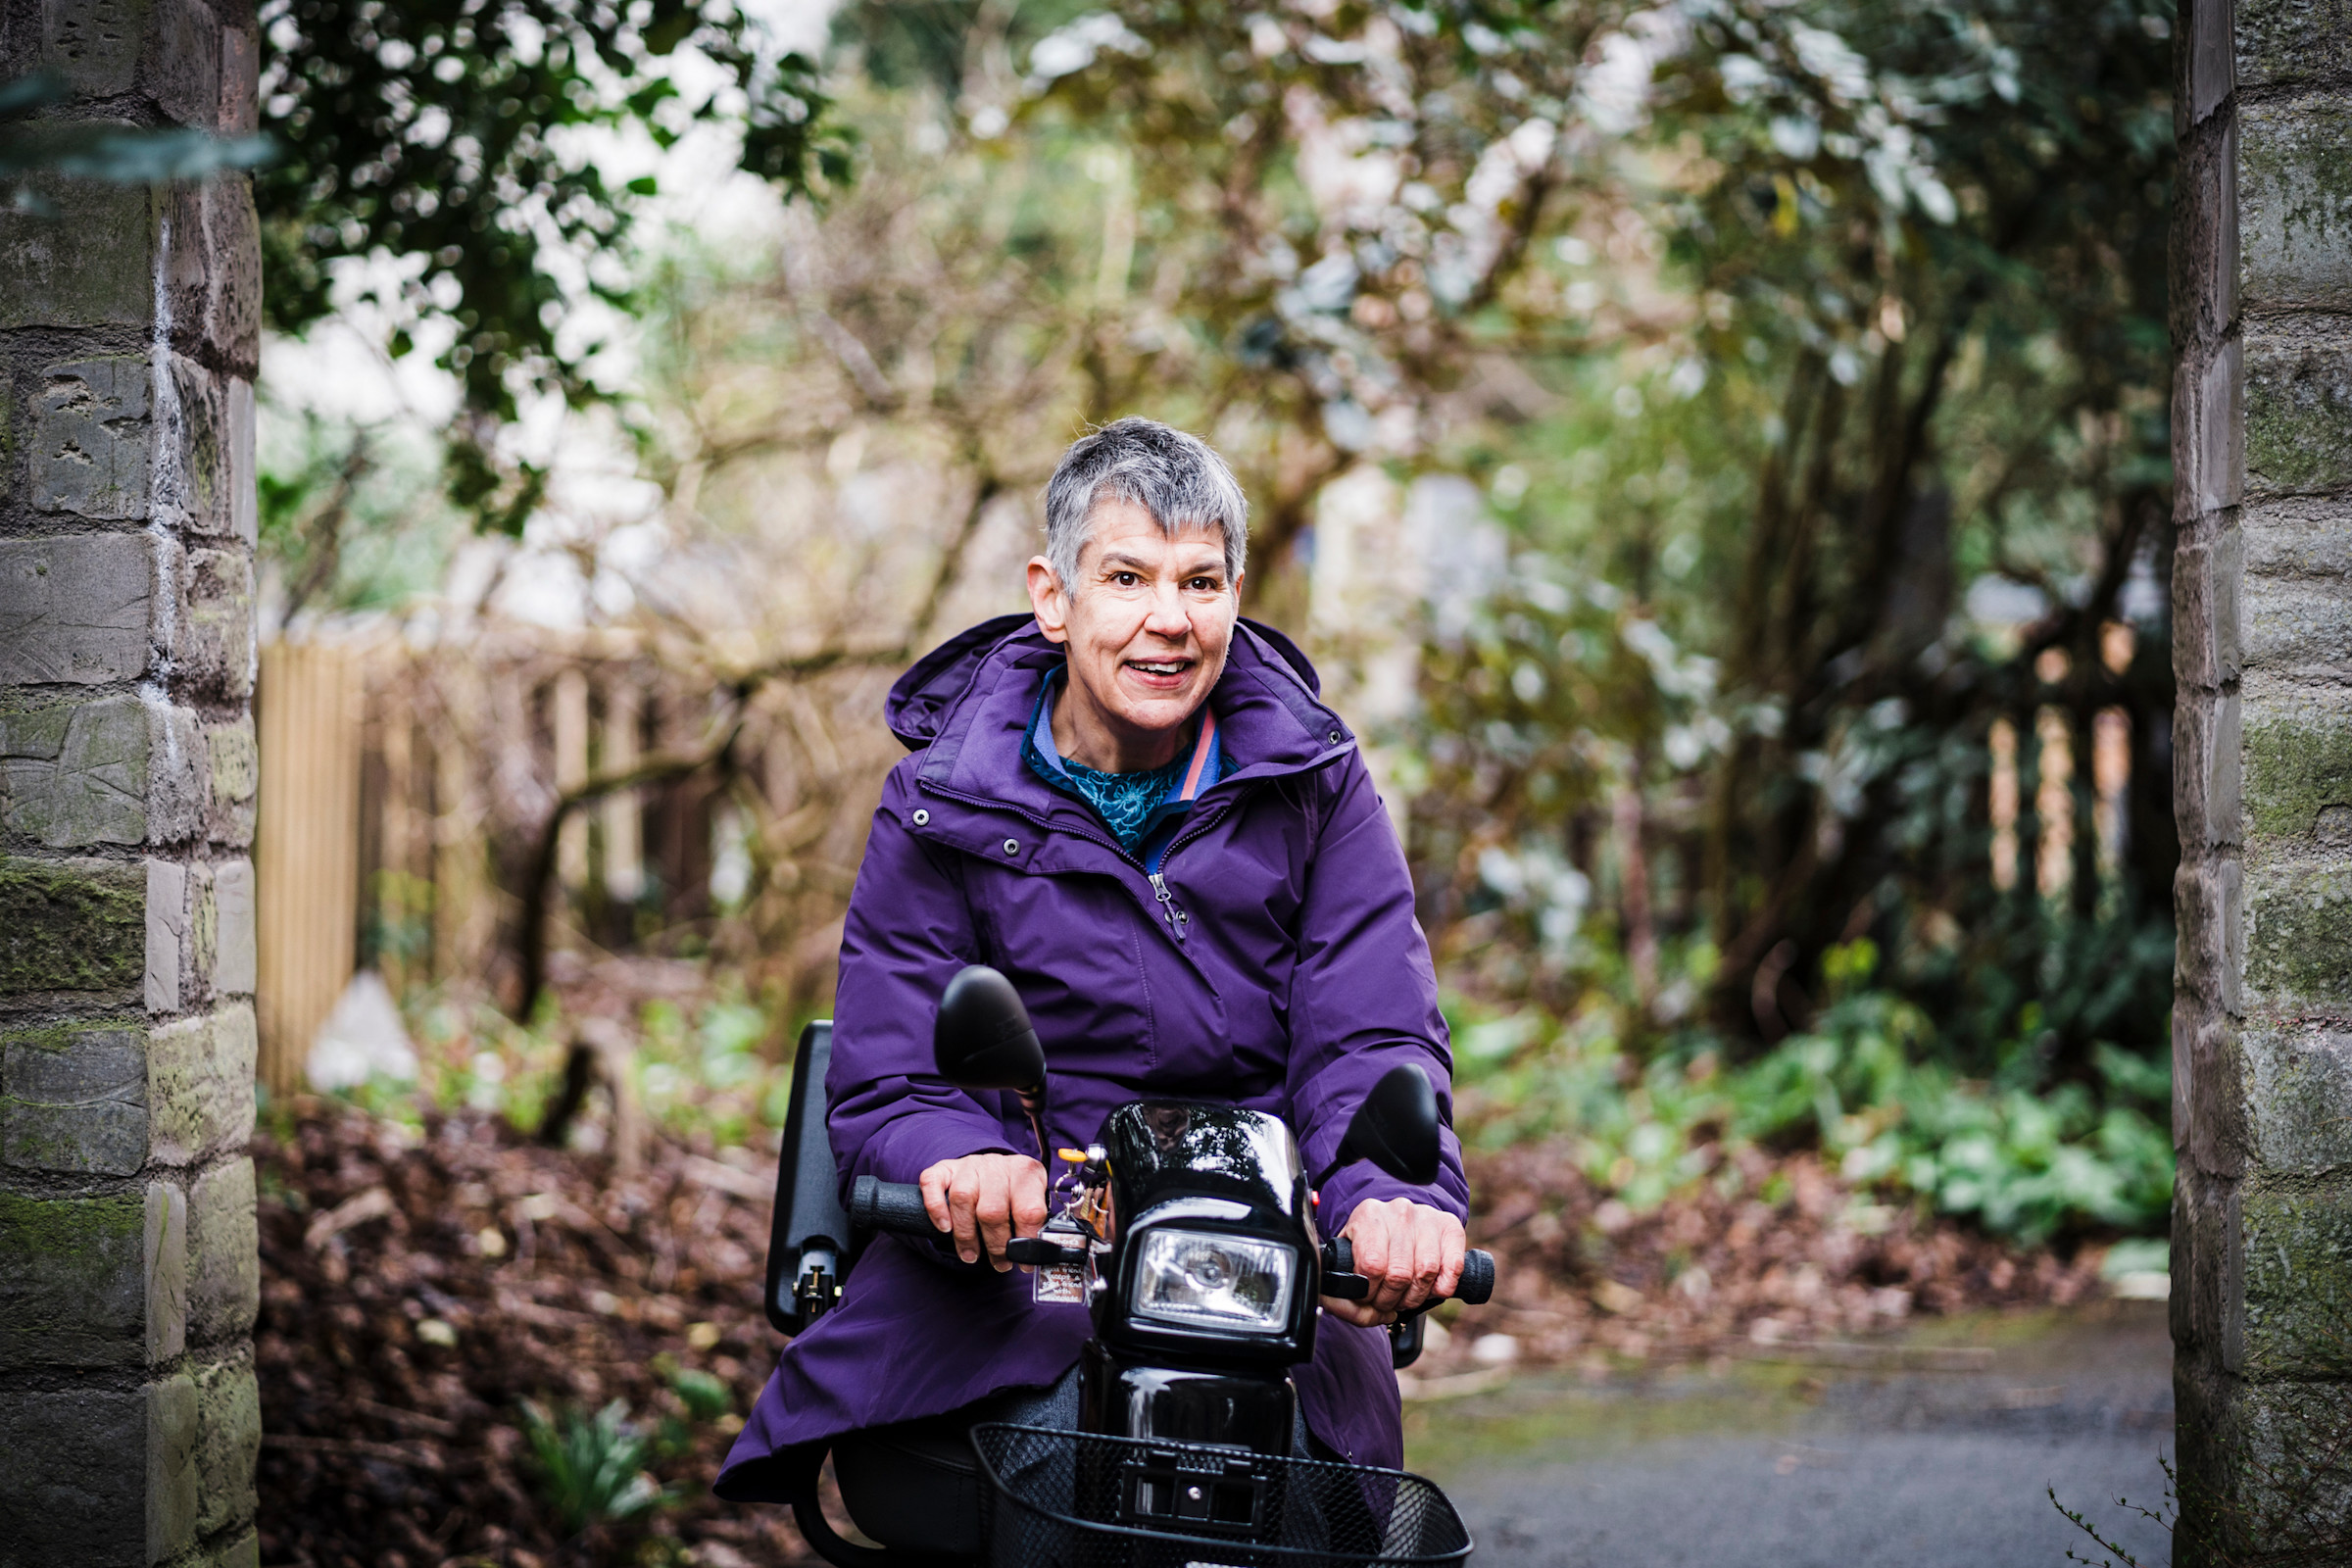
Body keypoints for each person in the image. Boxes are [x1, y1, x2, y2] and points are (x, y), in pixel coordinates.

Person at [717, 416, 1467, 1497]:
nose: (1169, 620)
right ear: (1053, 596)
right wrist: (952, 1154)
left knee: (1307, 1484)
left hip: (1250, 1249)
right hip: (1027, 1252)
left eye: (1201, 582)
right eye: (1127, 577)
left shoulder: (1317, 781)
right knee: (1033, 1461)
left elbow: (1371, 1027)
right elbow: (896, 1063)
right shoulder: (941, 800)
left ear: (1236, 594)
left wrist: (1385, 1198)